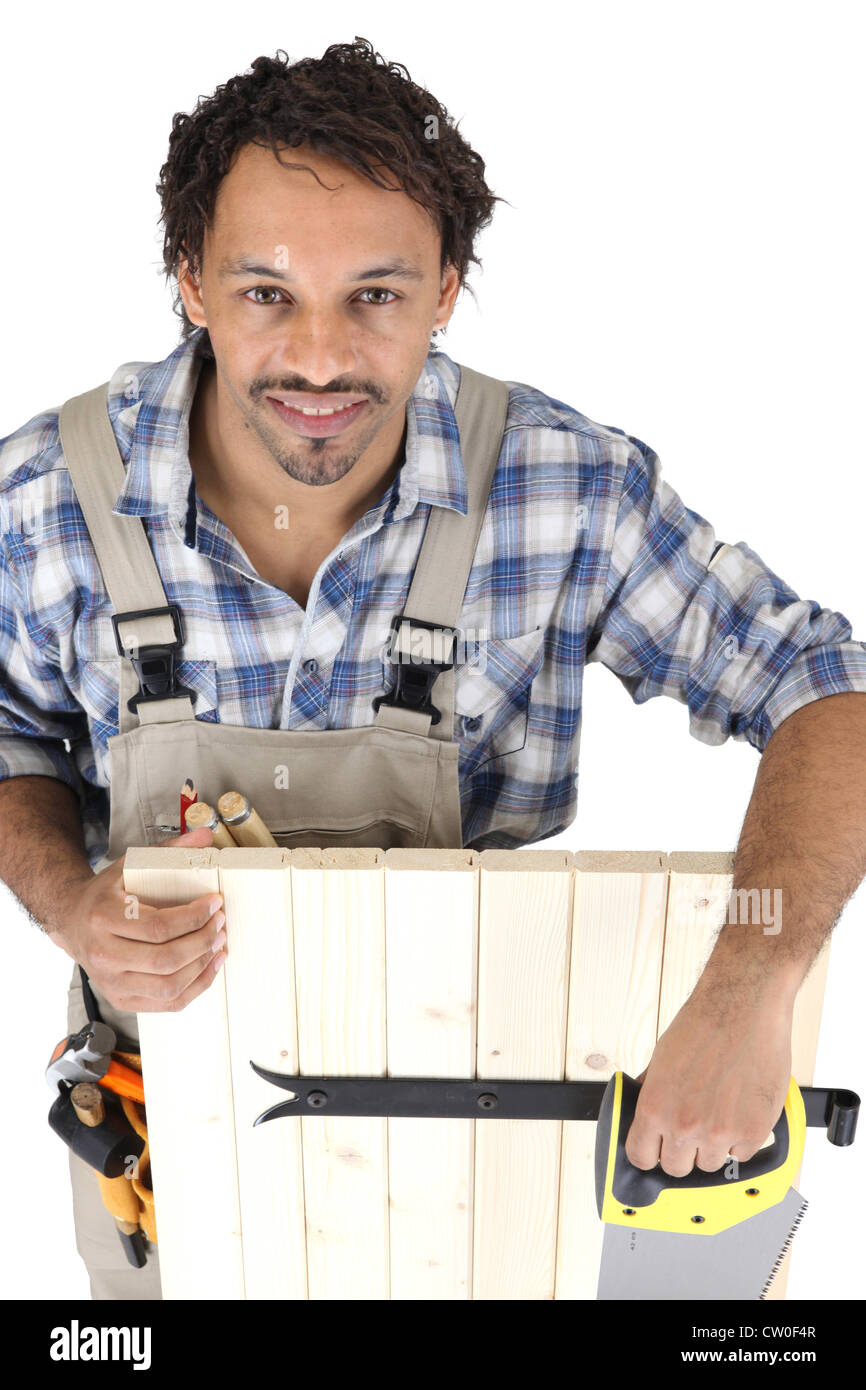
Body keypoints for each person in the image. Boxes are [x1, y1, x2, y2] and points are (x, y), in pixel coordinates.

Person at [1, 40, 865, 1302]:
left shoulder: (560, 488)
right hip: (168, 1157)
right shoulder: (44, 502)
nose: (318, 358)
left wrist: (750, 975)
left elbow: (824, 686)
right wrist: (71, 903)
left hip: (474, 1182)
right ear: (188, 281)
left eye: (376, 294)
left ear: (447, 288)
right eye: (262, 292)